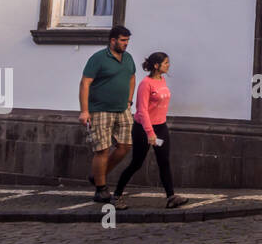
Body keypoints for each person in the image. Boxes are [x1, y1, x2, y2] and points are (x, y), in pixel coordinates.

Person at [114, 52, 187, 209]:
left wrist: (157, 130)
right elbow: (142, 111)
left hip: (161, 126)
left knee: (164, 162)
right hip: (143, 129)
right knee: (137, 163)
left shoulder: (162, 80)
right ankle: (117, 194)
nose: (168, 65)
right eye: (166, 63)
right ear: (156, 65)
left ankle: (171, 197)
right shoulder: (145, 84)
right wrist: (150, 133)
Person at [79, 25, 135, 205]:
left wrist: (129, 100)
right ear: (113, 40)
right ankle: (101, 189)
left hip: (122, 109)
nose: (126, 44)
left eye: (127, 40)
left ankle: (97, 176)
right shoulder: (98, 58)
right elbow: (85, 83)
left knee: (125, 146)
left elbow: (132, 77)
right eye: (123, 40)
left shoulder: (128, 58)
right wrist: (85, 111)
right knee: (102, 149)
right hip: (100, 110)